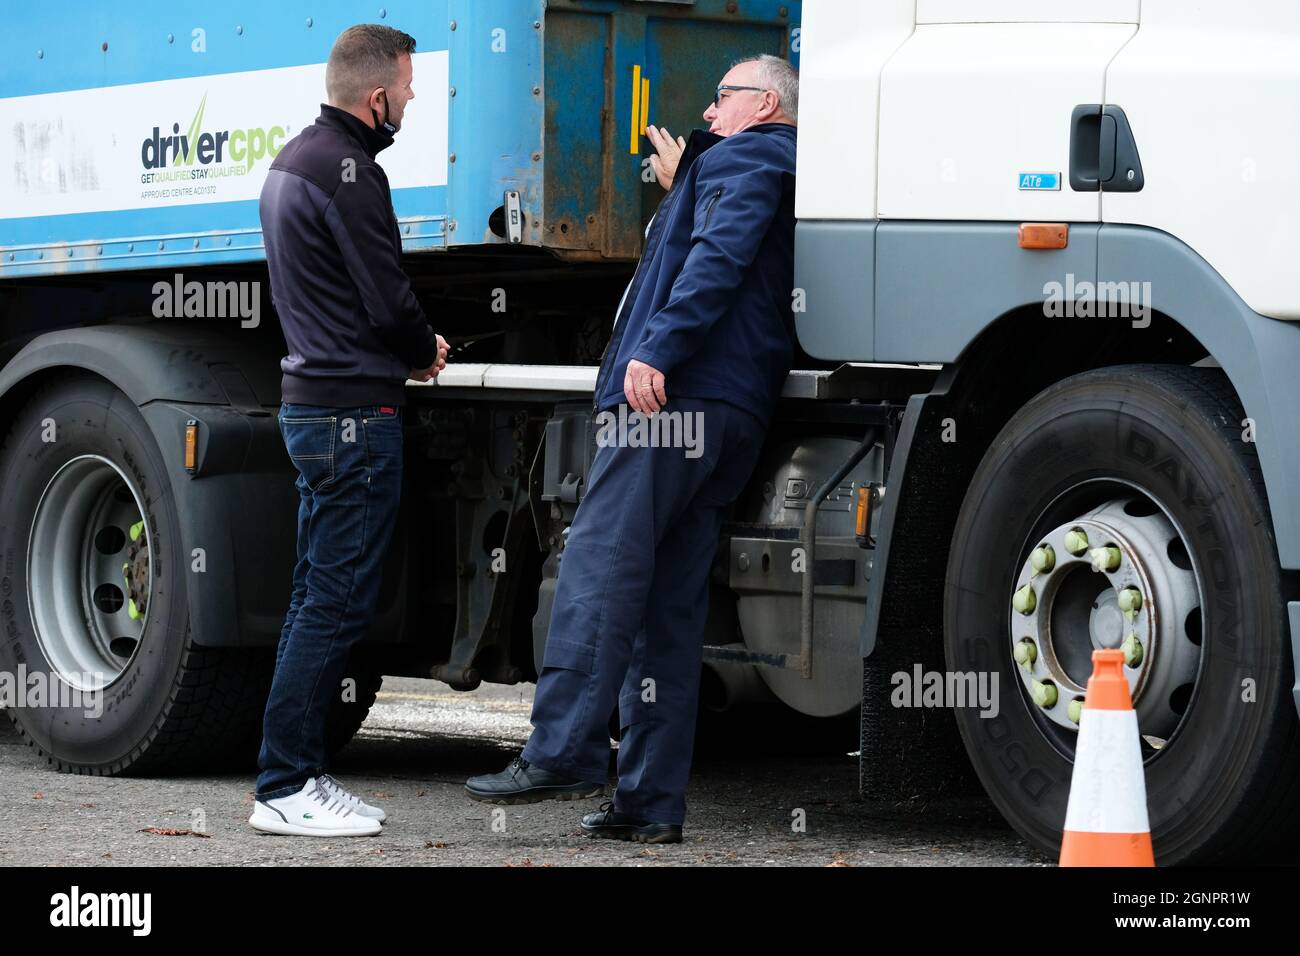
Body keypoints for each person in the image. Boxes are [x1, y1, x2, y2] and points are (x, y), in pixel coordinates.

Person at [465, 54, 799, 844]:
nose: (709, 114)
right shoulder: (759, 164)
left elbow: (718, 256)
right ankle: (648, 803)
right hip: (725, 410)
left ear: (764, 103)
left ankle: (563, 748)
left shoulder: (749, 155)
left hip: (674, 399)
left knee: (601, 562)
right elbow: (716, 243)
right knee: (664, 609)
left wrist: (658, 349)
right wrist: (687, 180)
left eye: (720, 98)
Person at [249, 23, 448, 837]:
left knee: (313, 598)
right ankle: (288, 785)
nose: (410, 98)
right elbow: (386, 295)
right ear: (375, 98)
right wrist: (423, 347)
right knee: (333, 602)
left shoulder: (291, 162)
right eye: (405, 87)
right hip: (354, 415)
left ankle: (290, 779)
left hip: (315, 407)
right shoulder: (353, 175)